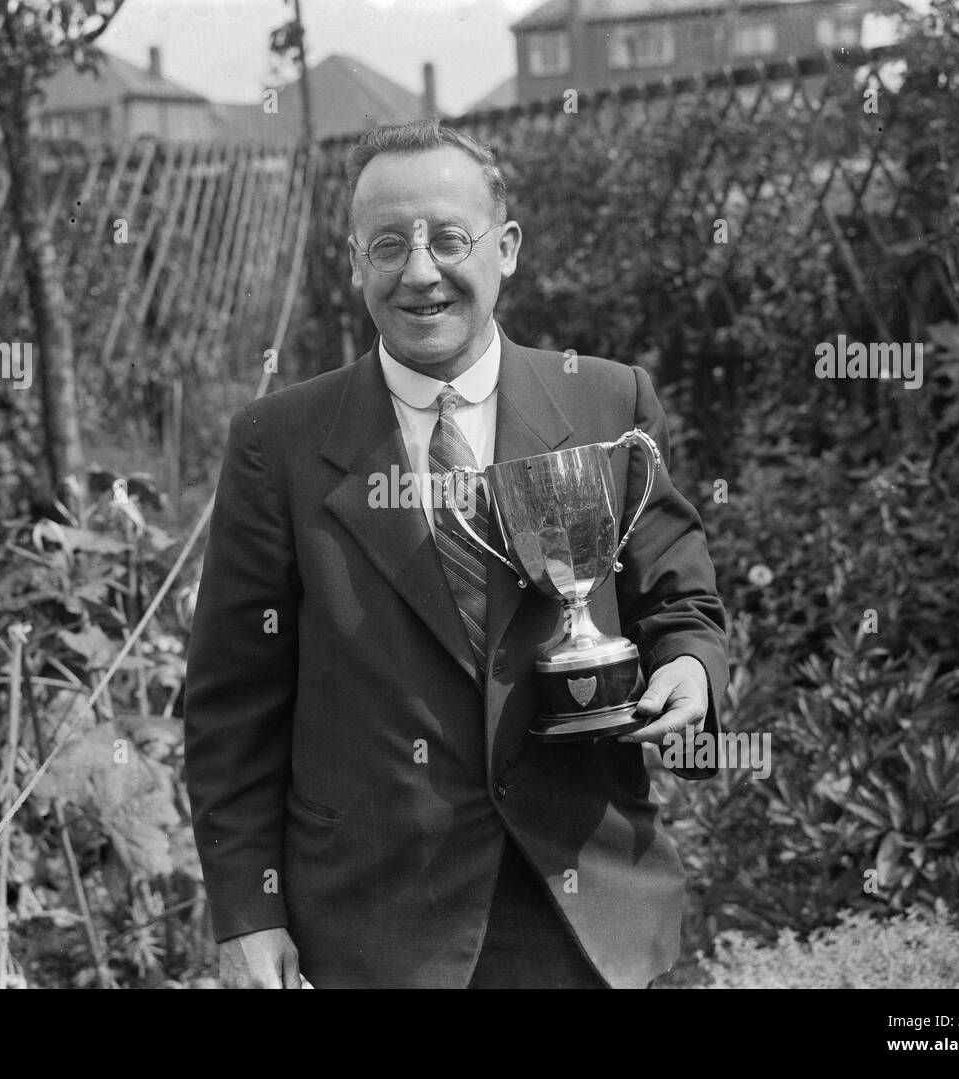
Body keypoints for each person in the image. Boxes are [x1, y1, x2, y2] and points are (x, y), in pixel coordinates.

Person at [184, 120, 729, 989]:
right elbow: (231, 706)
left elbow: (679, 602)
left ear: (505, 248)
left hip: (588, 911)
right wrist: (250, 911)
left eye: (450, 238)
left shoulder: (606, 401)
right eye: (389, 244)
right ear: (355, 263)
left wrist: (693, 670)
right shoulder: (276, 444)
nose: (421, 270)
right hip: (376, 928)